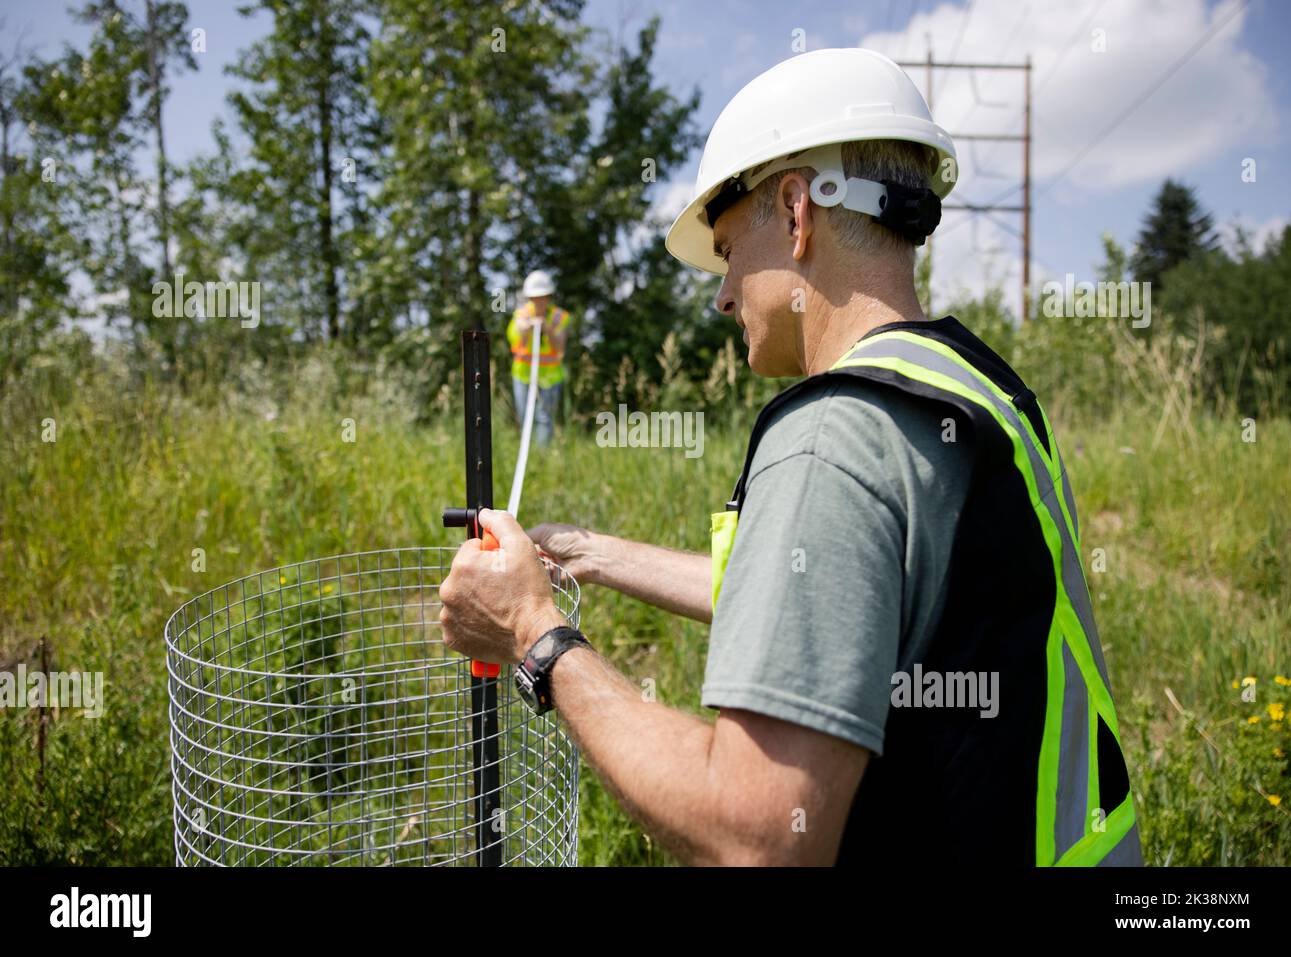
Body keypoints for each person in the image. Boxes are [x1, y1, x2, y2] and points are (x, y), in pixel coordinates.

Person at [438, 49, 1142, 866]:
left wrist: (534, 630)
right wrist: (588, 555)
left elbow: (758, 835)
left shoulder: (834, 434)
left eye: (731, 251)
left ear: (797, 210)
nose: (723, 294)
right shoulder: (975, 388)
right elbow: (839, 598)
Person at [506, 269, 570, 447]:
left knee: (544, 417)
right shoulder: (521, 315)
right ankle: (526, 452)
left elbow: (560, 347)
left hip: (550, 377)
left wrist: (547, 329)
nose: (539, 301)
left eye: (542, 296)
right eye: (535, 297)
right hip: (523, 374)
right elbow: (514, 339)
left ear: (549, 296)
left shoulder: (559, 317)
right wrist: (525, 328)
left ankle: (542, 456)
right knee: (524, 416)